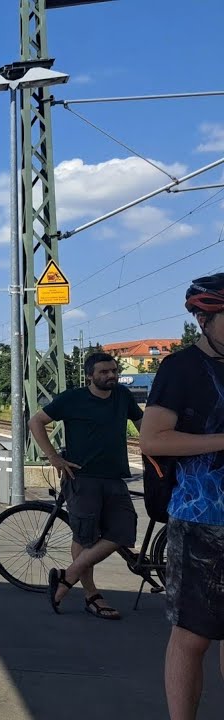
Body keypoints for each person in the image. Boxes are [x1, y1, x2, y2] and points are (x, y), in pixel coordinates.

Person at [139, 274, 224, 719]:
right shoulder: (180, 368)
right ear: (204, 318)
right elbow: (153, 440)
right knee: (193, 637)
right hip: (201, 520)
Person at [28, 351, 143, 620]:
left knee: (124, 531)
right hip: (82, 478)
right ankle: (91, 595)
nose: (111, 376)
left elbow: (142, 425)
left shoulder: (123, 397)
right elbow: (36, 421)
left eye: (113, 371)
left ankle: (68, 576)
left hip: (115, 477)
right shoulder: (73, 398)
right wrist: (54, 457)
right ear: (89, 375)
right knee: (85, 536)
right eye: (104, 372)